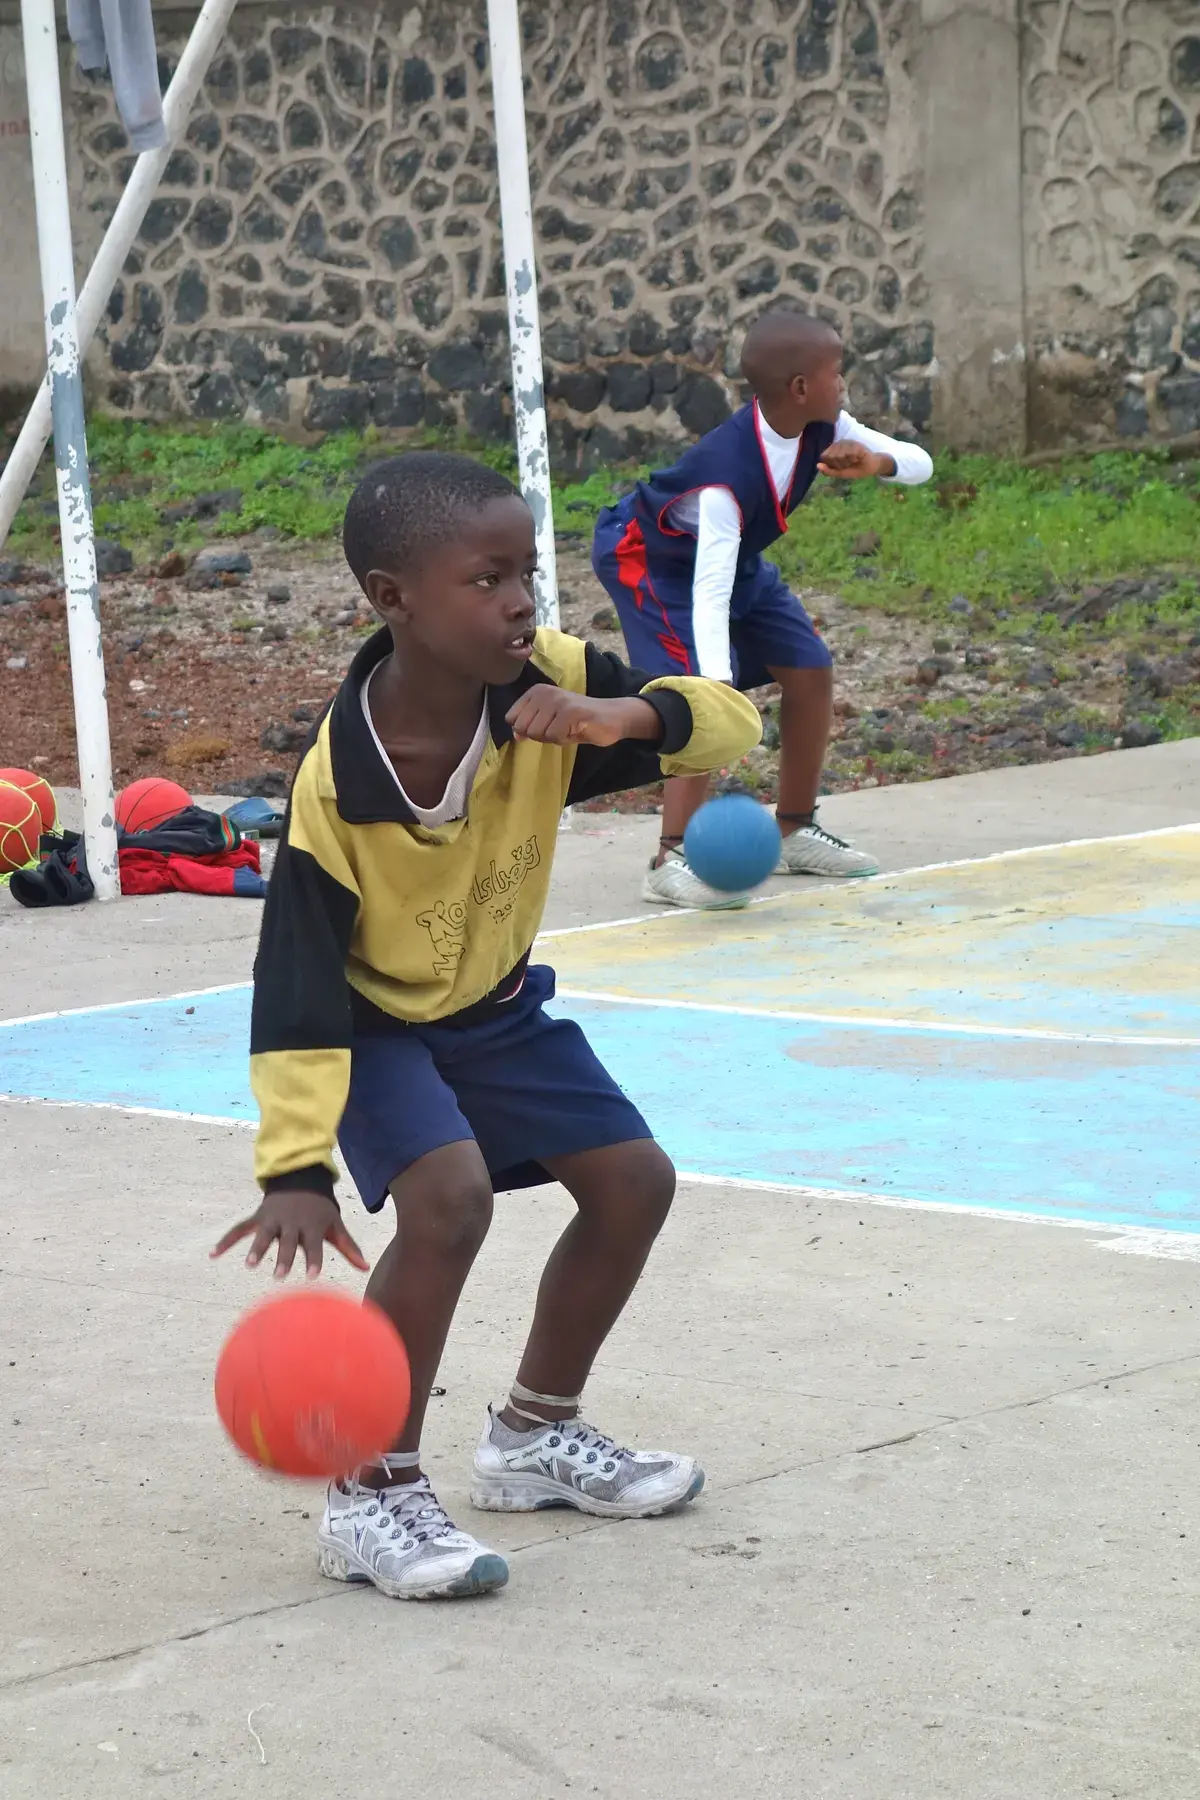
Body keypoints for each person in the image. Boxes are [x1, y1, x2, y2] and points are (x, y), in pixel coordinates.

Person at [212, 452, 762, 1602]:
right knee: (449, 1202)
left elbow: (726, 723)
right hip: (372, 1023)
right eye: (486, 580)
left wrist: (625, 713)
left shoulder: (545, 686)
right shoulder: (337, 788)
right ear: (393, 599)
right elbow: (295, 987)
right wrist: (296, 1168)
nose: (519, 603)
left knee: (635, 1183)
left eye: (526, 576)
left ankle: (532, 1435)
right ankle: (369, 1490)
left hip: (496, 1004)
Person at [592, 310, 934, 909]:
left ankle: (794, 829)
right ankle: (669, 859)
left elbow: (920, 463)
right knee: (696, 699)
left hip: (731, 557)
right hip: (652, 561)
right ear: (800, 387)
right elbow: (709, 590)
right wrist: (715, 686)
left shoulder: (828, 425)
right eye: (835, 373)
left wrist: (876, 463)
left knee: (809, 666)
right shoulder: (725, 476)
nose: (843, 383)